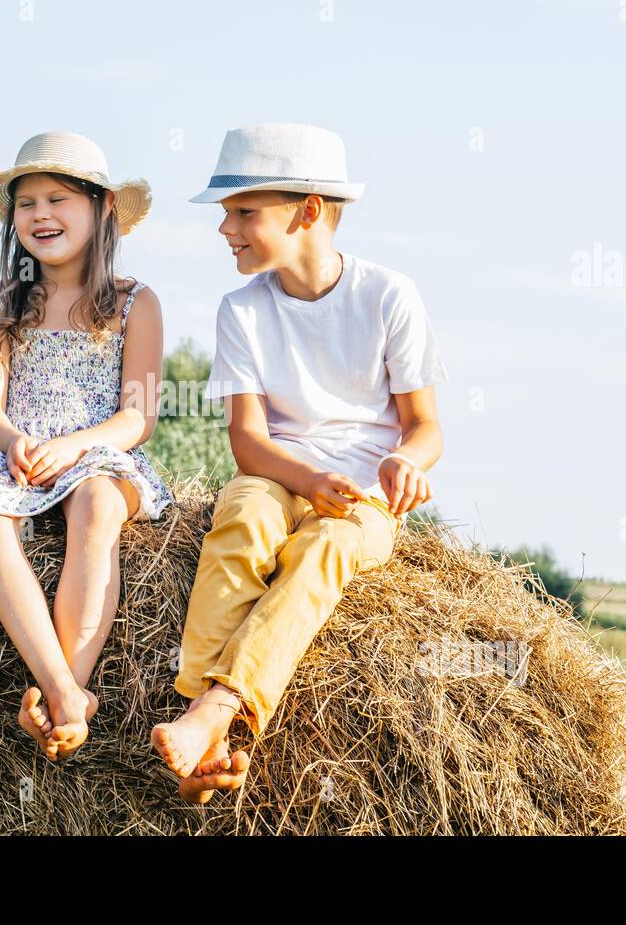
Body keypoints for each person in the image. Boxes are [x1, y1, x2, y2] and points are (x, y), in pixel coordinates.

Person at [152, 123, 449, 802]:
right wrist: (305, 478)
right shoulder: (242, 312)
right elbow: (248, 443)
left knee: (324, 551)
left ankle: (213, 713)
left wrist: (404, 461)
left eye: (243, 212)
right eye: (226, 213)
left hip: (360, 497)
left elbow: (425, 426)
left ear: (308, 211)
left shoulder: (388, 296)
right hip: (275, 475)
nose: (225, 228)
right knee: (245, 524)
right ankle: (211, 741)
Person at [0, 131, 173, 761]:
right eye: (26, 204)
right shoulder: (0, 299)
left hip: (101, 454)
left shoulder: (136, 302)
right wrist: (12, 440)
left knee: (98, 505)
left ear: (103, 209)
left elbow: (138, 415)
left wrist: (79, 446)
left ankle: (68, 694)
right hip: (20, 455)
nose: (41, 215)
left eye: (58, 199)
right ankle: (61, 689)